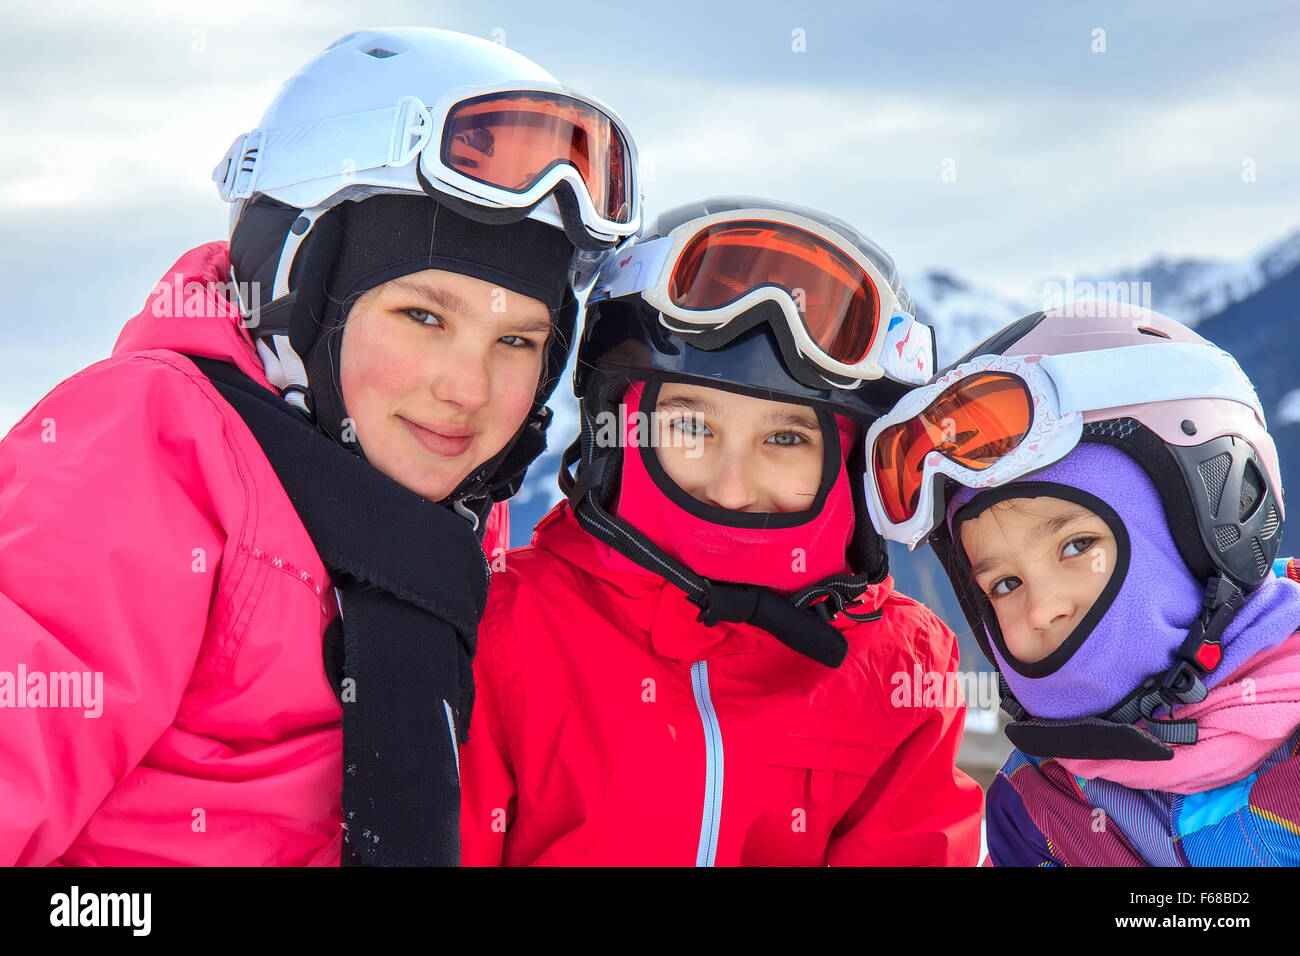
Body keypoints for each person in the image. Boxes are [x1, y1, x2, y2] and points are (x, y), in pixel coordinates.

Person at [0, 27, 641, 866]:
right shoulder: (156, 447)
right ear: (300, 302)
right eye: (422, 316)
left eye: (517, 342)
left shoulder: (443, 529)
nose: (470, 390)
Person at [459, 197, 984, 865]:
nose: (733, 488)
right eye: (691, 426)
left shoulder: (898, 668)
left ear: (851, 470)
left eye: (787, 438)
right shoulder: (502, 623)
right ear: (615, 433)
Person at [863, 304, 1300, 866]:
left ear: (1219, 520)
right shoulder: (1037, 815)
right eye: (1004, 584)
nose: (1040, 610)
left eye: (1076, 547)